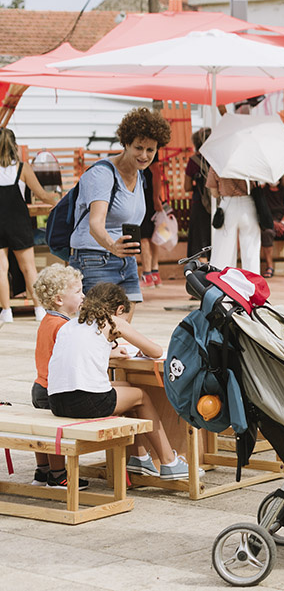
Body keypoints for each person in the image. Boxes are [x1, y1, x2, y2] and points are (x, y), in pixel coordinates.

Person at [47, 282, 193, 479]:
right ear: (120, 309)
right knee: (141, 396)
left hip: (57, 402)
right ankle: (169, 462)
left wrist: (110, 354)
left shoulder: (71, 324)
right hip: (85, 402)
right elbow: (156, 351)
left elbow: (78, 355)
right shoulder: (111, 320)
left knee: (125, 388)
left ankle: (139, 458)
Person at [69, 107, 173, 315]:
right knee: (97, 331)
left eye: (150, 150)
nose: (144, 155)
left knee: (121, 330)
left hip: (126, 261)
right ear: (125, 143)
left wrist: (123, 252)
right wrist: (112, 246)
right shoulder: (103, 174)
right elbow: (95, 224)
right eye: (138, 148)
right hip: (95, 259)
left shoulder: (140, 175)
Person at [29, 264, 85, 486]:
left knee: (42, 432)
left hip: (39, 385)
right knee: (55, 434)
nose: (83, 295)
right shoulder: (64, 326)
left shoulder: (47, 321)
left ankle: (42, 471)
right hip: (53, 387)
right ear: (59, 300)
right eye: (78, 291)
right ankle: (58, 474)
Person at [0, 127, 59, 323]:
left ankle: (6, 312)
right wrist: (59, 203)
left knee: (1, 268)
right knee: (29, 268)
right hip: (19, 223)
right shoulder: (22, 168)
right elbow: (41, 194)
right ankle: (39, 309)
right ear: (14, 146)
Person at [207, 164, 260, 276]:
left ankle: (223, 287)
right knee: (251, 249)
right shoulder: (248, 161)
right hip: (248, 204)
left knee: (223, 250)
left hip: (228, 205)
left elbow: (214, 193)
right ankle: (253, 286)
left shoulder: (218, 162)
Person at [138, 152, 165, 288]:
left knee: (144, 237)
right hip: (148, 198)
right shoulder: (149, 150)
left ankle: (147, 274)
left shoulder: (146, 153)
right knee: (152, 236)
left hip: (146, 199)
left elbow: (156, 174)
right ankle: (155, 274)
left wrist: (156, 198)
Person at [185, 128, 212, 258]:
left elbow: (187, 186)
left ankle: (198, 268)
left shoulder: (194, 161)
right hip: (218, 204)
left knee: (198, 237)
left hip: (199, 202)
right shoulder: (217, 158)